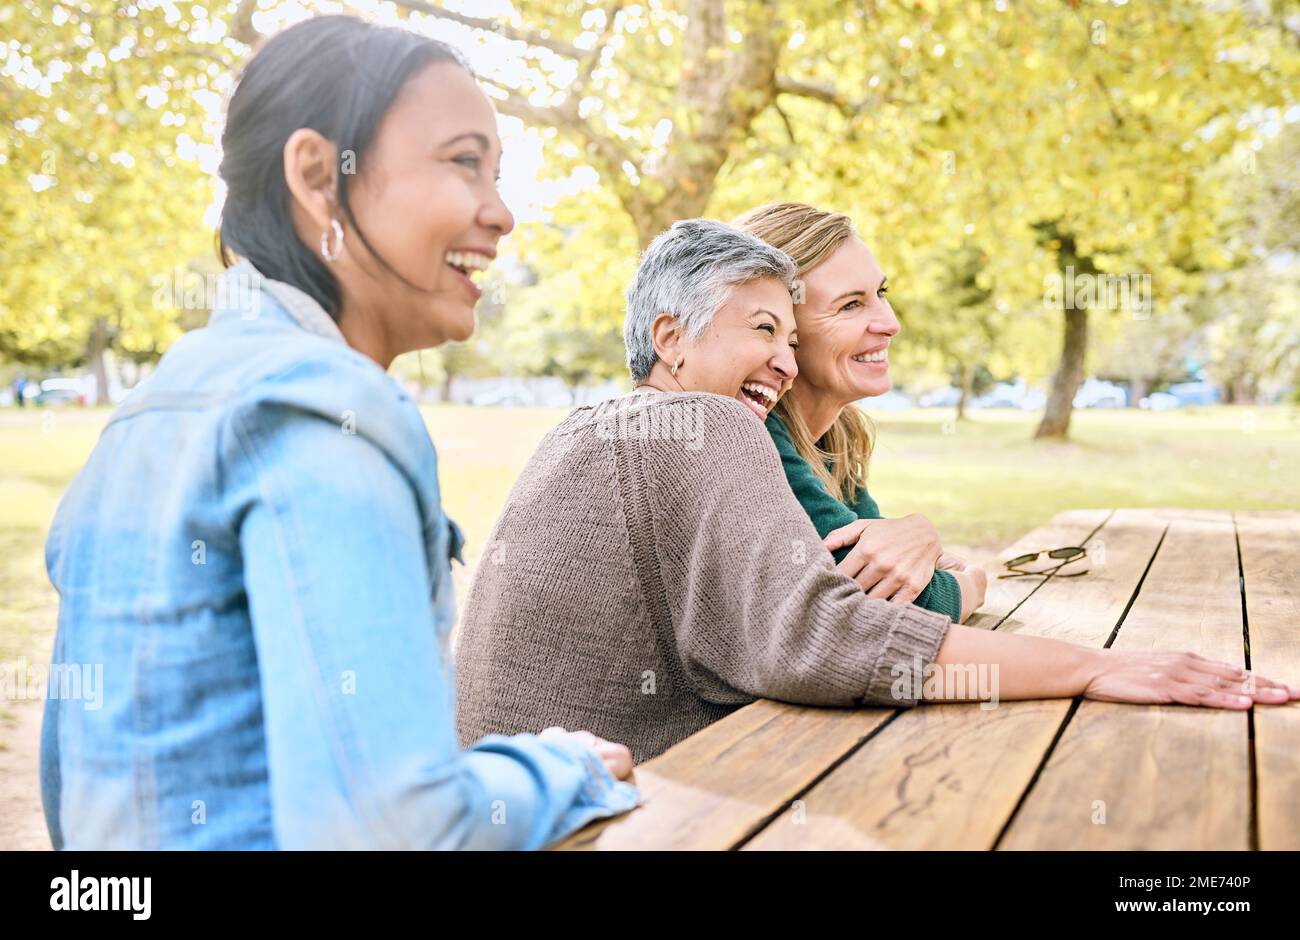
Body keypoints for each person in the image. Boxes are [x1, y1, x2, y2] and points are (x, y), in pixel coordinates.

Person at [39, 14, 636, 851]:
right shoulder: (326, 408)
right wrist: (558, 770)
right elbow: (392, 826)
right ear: (320, 177)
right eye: (465, 163)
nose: (501, 214)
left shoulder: (144, 416)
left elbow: (76, 809)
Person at [454, 218, 1299, 765]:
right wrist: (1096, 668)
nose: (783, 364)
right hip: (613, 819)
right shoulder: (707, 427)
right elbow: (829, 640)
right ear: (669, 340)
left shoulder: (598, 426)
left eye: (789, 336)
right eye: (761, 332)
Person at [733, 202, 984, 623]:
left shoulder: (836, 434)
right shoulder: (753, 436)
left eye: (880, 294)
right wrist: (973, 583)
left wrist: (917, 535)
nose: (890, 323)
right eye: (850, 305)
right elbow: (899, 605)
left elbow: (893, 564)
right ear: (781, 329)